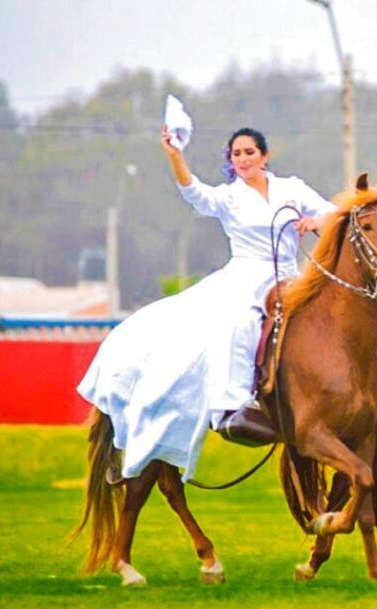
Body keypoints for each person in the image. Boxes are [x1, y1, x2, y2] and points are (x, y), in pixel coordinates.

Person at [77, 126, 336, 482]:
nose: (243, 159)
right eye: (236, 154)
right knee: (241, 323)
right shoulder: (229, 198)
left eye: (249, 152)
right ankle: (235, 406)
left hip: (291, 277)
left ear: (265, 156)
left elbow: (334, 213)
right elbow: (194, 193)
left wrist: (314, 219)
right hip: (247, 276)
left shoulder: (292, 188)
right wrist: (175, 157)